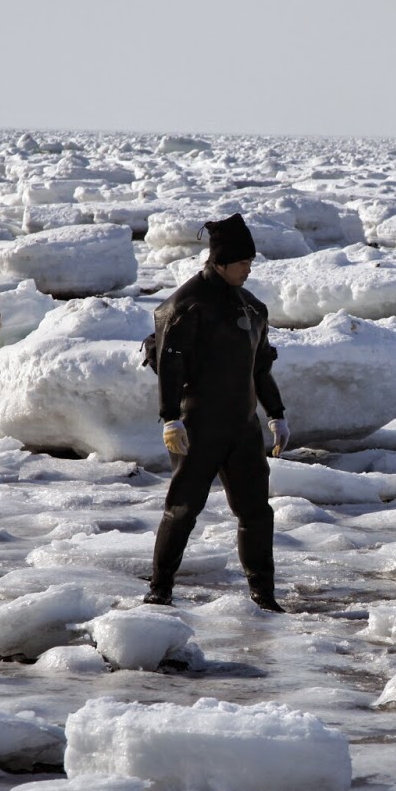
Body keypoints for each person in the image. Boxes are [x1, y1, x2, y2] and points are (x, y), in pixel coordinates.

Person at [145, 213, 290, 612]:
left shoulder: (253, 308)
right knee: (183, 508)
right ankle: (160, 589)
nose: (249, 269)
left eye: (251, 263)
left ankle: (264, 595)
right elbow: (171, 365)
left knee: (257, 513)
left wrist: (276, 414)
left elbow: (260, 368)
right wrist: (170, 417)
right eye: (243, 263)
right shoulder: (185, 306)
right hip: (197, 426)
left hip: (243, 428)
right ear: (221, 262)